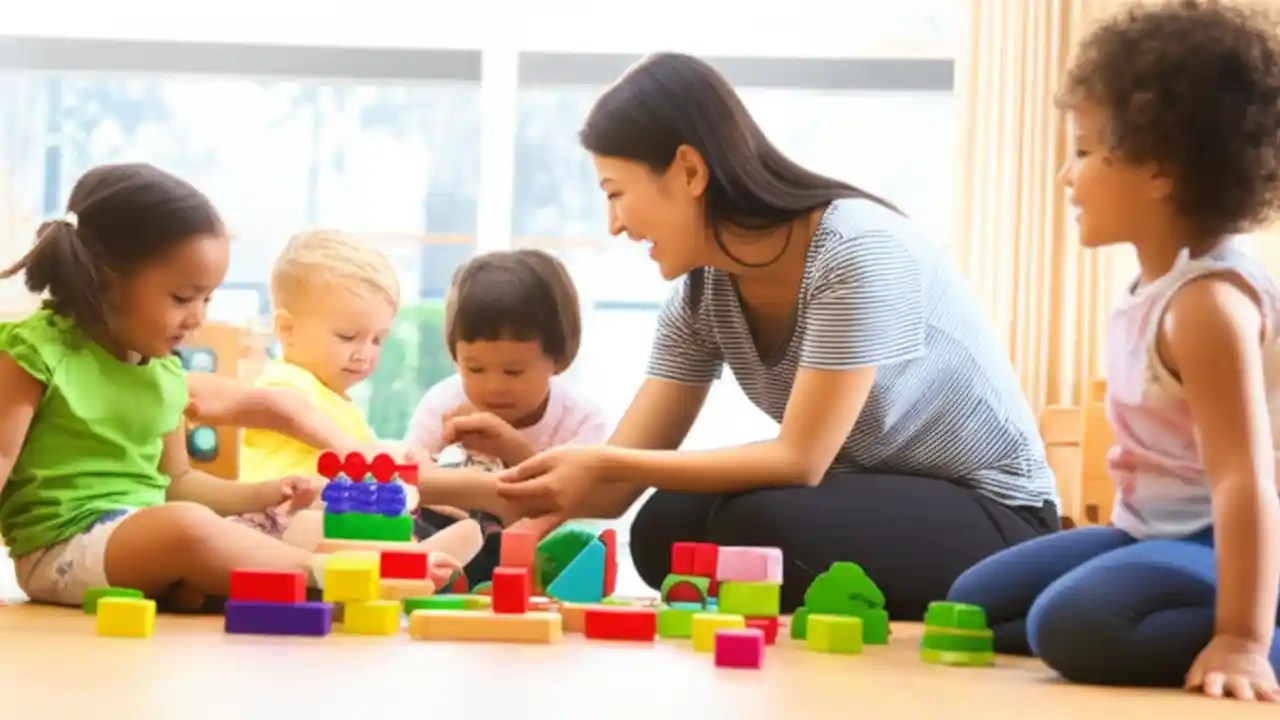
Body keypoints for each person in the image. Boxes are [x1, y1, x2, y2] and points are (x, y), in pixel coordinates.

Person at [494, 52, 1060, 618]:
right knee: (665, 526)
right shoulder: (701, 296)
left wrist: (605, 462)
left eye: (615, 192)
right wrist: (440, 484)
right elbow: (616, 481)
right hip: (870, 497)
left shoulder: (856, 252)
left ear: (689, 171)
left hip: (997, 512)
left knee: (754, 527)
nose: (613, 223)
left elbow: (799, 460)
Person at [947, 2, 1280, 702]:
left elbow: (1244, 484)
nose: (1068, 177)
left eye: (1086, 151)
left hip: (1216, 542)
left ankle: (1267, 631)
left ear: (1159, 170)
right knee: (972, 604)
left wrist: (1241, 641)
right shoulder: (1152, 286)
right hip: (1143, 533)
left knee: (1072, 626)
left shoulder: (1208, 307)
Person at [0, 164, 461, 608]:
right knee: (187, 530)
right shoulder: (33, 352)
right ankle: (338, 575)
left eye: (207, 297)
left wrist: (265, 493)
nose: (198, 317)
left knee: (241, 529)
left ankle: (349, 568)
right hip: (61, 549)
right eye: (182, 298)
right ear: (106, 279)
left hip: (145, 533)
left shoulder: (160, 371)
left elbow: (180, 483)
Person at [237, 230, 482, 563]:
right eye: (349, 336)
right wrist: (387, 455)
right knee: (315, 526)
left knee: (468, 531)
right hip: (276, 521)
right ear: (288, 330)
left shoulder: (338, 401)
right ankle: (404, 560)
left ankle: (403, 557)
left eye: (378, 340)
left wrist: (407, 463)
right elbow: (307, 423)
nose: (365, 353)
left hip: (337, 517)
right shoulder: (285, 382)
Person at [406, 249, 610, 582]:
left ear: (559, 358)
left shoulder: (583, 419)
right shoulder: (444, 402)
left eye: (514, 371)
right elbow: (410, 480)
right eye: (475, 368)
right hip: (453, 543)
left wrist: (511, 446)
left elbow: (582, 507)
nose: (494, 386)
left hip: (539, 555)